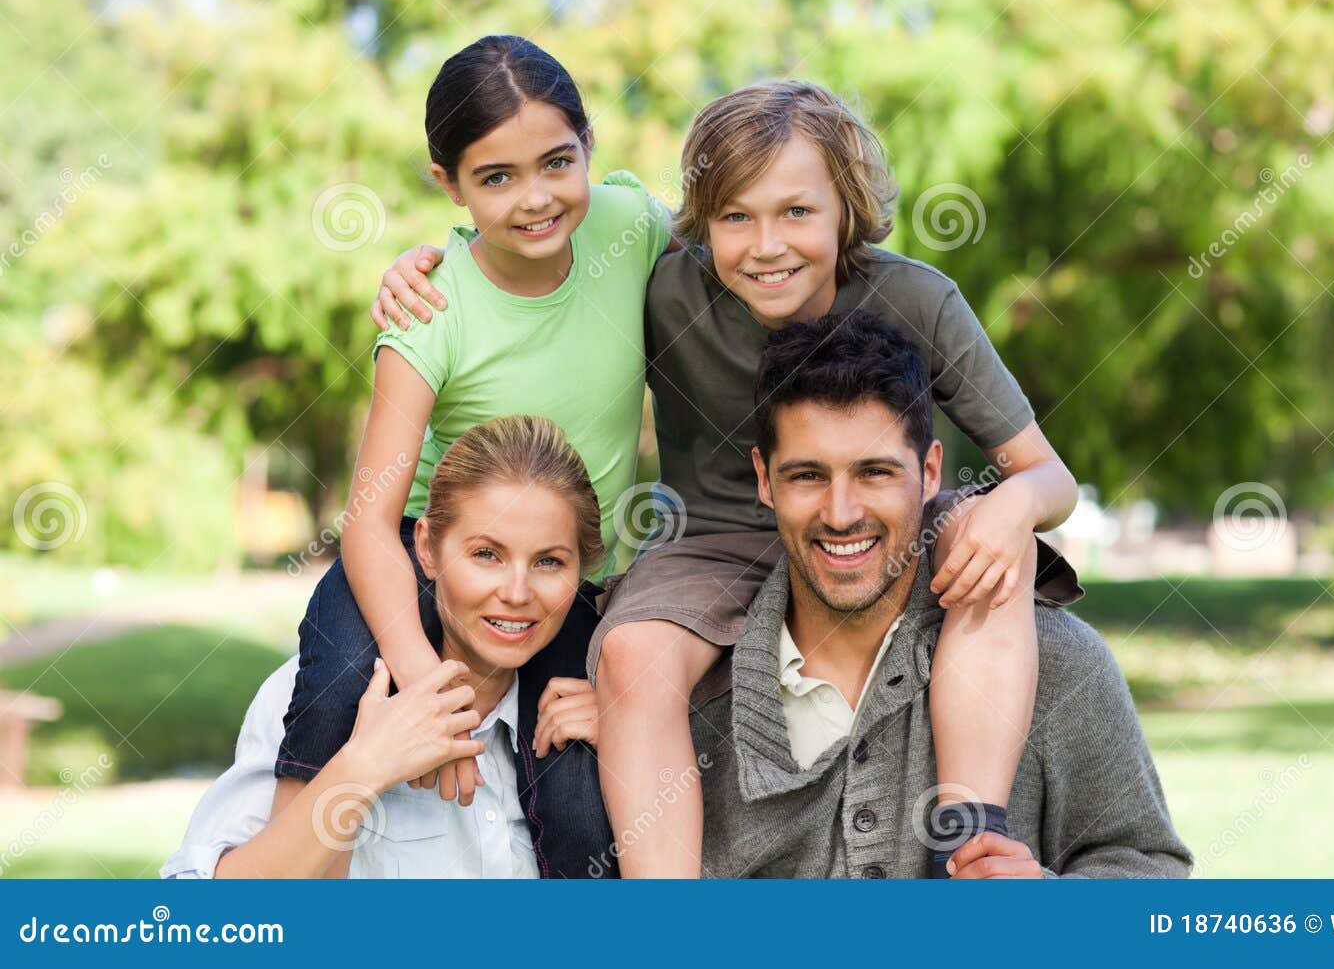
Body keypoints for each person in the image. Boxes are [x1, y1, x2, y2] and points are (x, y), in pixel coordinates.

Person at [374, 82, 1082, 877]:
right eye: (736, 217)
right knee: (632, 651)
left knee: (999, 540)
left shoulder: (918, 298)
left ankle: (973, 844)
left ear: (845, 207)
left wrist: (1015, 503)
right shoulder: (666, 289)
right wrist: (432, 269)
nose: (766, 245)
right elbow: (532, 256)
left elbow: (1048, 475)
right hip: (715, 547)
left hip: (878, 528)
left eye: (797, 212)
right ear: (704, 222)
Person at [275, 34, 671, 813]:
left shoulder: (632, 225)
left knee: (578, 799)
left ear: (588, 145)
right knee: (341, 681)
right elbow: (368, 523)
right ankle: (285, 862)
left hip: (567, 574)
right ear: (449, 184)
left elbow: (744, 245)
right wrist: (428, 689)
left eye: (557, 162)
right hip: (429, 548)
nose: (535, 198)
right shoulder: (431, 308)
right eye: (497, 177)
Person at [690, 312, 1191, 878]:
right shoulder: (691, 690)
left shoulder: (1057, 660)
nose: (841, 514)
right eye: (808, 475)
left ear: (930, 472)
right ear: (764, 479)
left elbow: (1151, 869)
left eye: (875, 472)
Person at [163, 416, 614, 878]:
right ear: (428, 549)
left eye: (549, 562)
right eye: (486, 555)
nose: (517, 593)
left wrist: (626, 747)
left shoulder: (594, 719)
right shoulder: (319, 693)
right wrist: (363, 767)